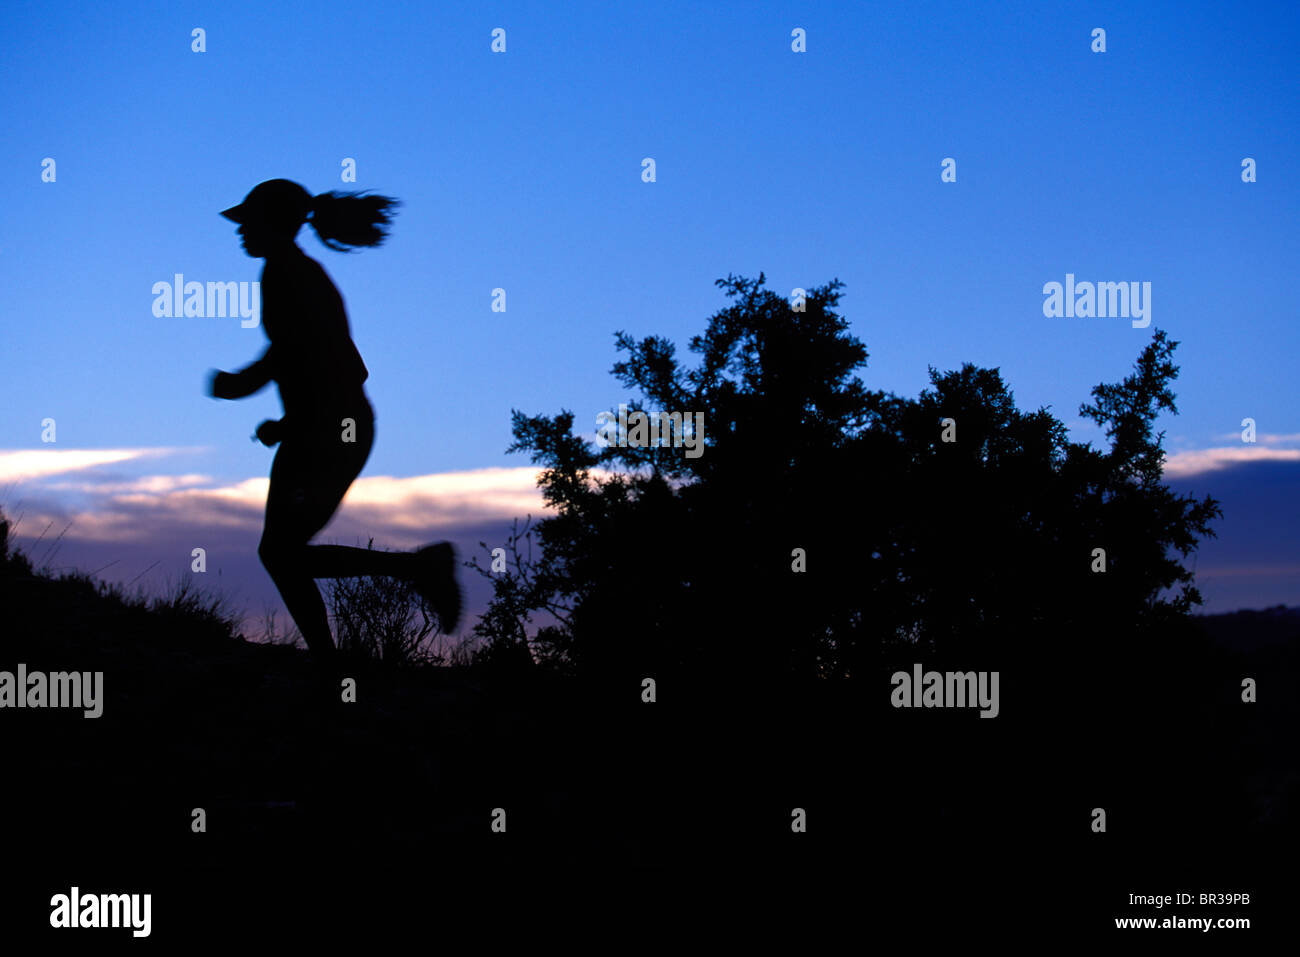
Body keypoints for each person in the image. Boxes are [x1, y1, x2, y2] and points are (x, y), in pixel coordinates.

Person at [207, 178, 460, 660]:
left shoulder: (288, 274)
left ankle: (411, 578)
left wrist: (241, 385)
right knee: (282, 553)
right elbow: (325, 361)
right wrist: (289, 421)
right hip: (328, 427)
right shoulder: (294, 272)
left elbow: (300, 356)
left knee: (280, 553)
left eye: (248, 222)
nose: (240, 232)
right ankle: (341, 646)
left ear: (270, 223)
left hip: (327, 430)